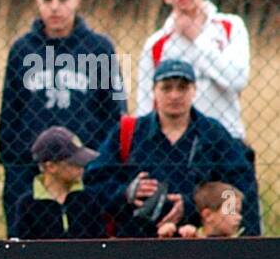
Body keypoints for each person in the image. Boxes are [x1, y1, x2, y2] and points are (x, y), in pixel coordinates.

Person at [0, 0, 125, 226]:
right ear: (37, 2)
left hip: (86, 167)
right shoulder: (22, 49)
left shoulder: (99, 48)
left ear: (77, 0)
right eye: (47, 0)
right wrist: (17, 162)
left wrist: (99, 161)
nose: (55, 7)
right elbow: (10, 114)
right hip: (32, 169)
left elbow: (113, 112)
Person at [86, 60, 259, 238]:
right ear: (154, 91)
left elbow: (241, 189)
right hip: (136, 242)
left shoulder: (214, 134)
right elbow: (93, 183)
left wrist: (197, 206)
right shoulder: (128, 133)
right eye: (166, 88)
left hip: (200, 244)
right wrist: (125, 193)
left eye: (182, 88)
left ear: (194, 90)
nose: (174, 95)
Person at [137, 0, 249, 142]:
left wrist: (197, 38)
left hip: (227, 137)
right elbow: (145, 102)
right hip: (174, 144)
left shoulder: (230, 27)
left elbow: (237, 79)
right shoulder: (156, 44)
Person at [8, 126, 106, 240]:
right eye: (74, 163)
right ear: (51, 167)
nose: (81, 168)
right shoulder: (28, 204)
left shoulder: (89, 198)